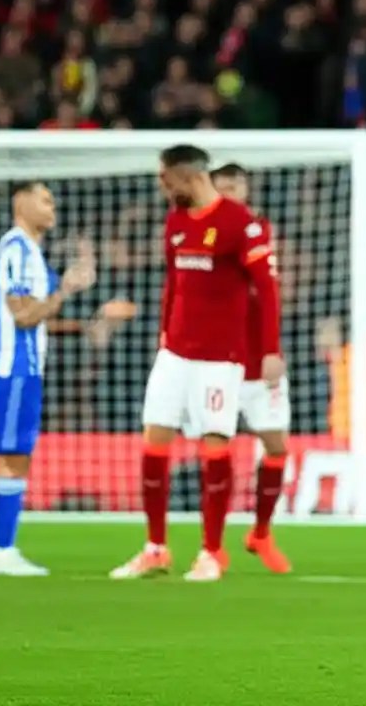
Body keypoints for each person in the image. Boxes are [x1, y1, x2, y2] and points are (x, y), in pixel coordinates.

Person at [110, 145, 284, 583]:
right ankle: (155, 548)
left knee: (214, 447)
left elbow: (266, 291)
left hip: (219, 360)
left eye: (165, 179)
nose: (161, 187)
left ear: (188, 177)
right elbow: (174, 284)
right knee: (153, 440)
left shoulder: (239, 224)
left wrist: (268, 351)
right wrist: (164, 337)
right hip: (174, 354)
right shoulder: (175, 221)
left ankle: (210, 552)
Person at [175, 162, 289, 573]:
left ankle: (260, 532)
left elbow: (271, 292)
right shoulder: (199, 232)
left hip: (259, 362)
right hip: (218, 361)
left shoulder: (258, 232)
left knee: (276, 447)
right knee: (213, 451)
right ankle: (212, 547)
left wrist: (272, 349)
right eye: (225, 186)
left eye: (238, 185)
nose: (232, 193)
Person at [0, 182, 96, 575]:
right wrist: (66, 288)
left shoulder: (31, 252)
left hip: (25, 370)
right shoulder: (16, 250)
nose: (53, 207)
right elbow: (25, 315)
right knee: (10, 457)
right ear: (21, 202)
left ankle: (5, 548)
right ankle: (2, 551)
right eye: (45, 199)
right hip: (12, 367)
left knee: (17, 456)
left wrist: (71, 284)